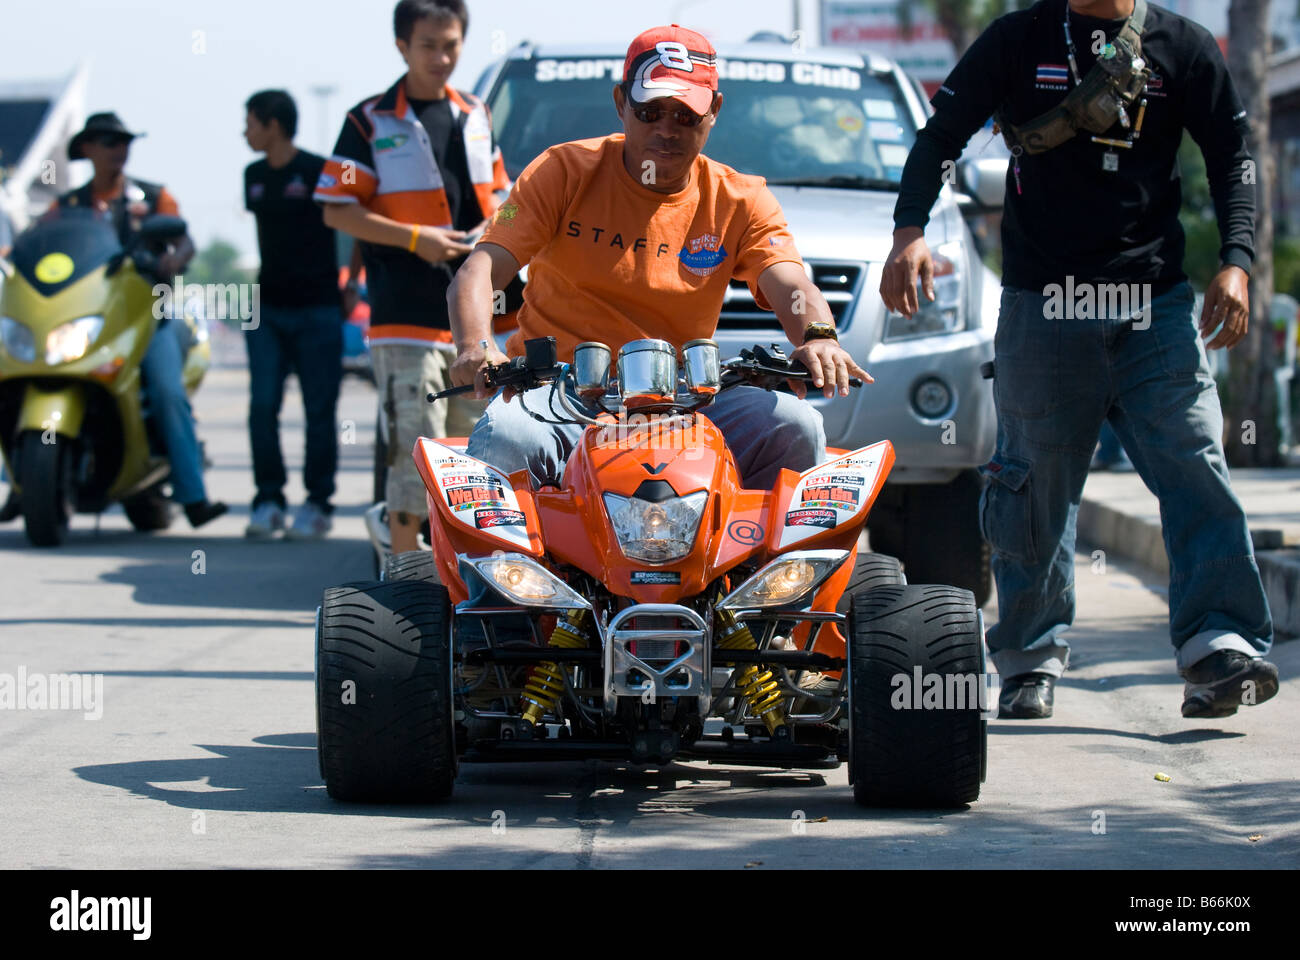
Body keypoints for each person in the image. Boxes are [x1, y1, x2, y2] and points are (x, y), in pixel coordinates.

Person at [881, 0, 1278, 719]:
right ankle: (1031, 656)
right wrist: (910, 229)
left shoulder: (1183, 47)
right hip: (1042, 305)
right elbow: (942, 135)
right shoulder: (1017, 39)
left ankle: (1219, 644)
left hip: (1153, 307)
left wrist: (1238, 262)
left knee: (1194, 464)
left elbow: (1232, 156)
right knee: (1032, 485)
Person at [448, 24, 868, 515]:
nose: (666, 130)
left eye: (686, 115)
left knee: (797, 425)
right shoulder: (561, 172)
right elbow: (478, 272)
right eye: (650, 112)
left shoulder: (741, 198)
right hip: (560, 394)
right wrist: (476, 348)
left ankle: (773, 585)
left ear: (713, 112)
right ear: (620, 102)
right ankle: (498, 587)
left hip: (692, 400)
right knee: (507, 433)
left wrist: (818, 335)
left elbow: (792, 283)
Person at [314, 0, 507, 556]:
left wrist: (495, 225)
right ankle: (403, 572)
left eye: (451, 45)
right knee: (414, 445)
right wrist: (416, 239)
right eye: (429, 45)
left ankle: (472, 574)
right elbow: (336, 208)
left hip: (476, 319)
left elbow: (499, 193)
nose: (442, 57)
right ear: (402, 45)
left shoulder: (477, 114)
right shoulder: (366, 120)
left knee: (478, 450)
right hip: (404, 315)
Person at [58, 112, 226, 528]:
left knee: (168, 392)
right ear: (87, 150)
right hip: (83, 322)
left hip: (146, 317)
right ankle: (25, 488)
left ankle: (193, 496)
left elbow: (184, 238)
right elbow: (37, 248)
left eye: (124, 142)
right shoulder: (69, 207)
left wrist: (176, 258)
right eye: (108, 141)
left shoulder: (152, 197)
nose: (119, 149)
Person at [243, 90, 346, 539]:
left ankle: (317, 504)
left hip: (320, 308)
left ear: (273, 125)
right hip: (266, 310)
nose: (244, 131)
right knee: (262, 407)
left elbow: (354, 223)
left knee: (319, 410)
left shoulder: (319, 171)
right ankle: (268, 500)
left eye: (250, 122)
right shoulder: (253, 175)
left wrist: (353, 282)